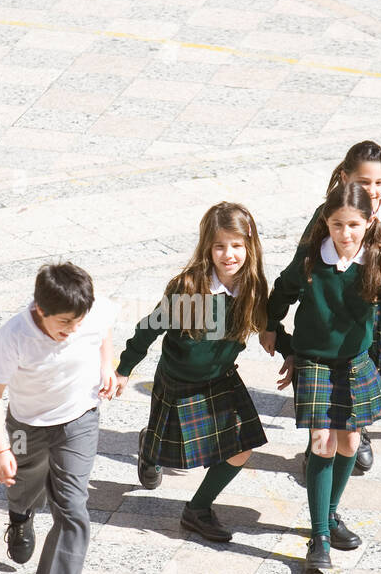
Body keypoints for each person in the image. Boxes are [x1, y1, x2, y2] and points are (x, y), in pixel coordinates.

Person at [261, 182, 381, 574]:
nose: (345, 234)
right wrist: (271, 324)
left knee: (351, 442)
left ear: (370, 222)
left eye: (354, 225)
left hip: (355, 361)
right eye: (337, 224)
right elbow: (283, 289)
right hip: (314, 360)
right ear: (326, 223)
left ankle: (330, 514)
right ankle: (319, 535)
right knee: (322, 442)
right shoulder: (312, 260)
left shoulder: (380, 262)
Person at [111, 202, 268, 544]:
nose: (229, 254)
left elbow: (267, 322)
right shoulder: (189, 288)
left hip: (222, 379)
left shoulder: (254, 287)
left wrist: (288, 351)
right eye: (220, 246)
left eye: (237, 245)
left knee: (241, 448)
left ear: (250, 245)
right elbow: (148, 329)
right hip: (179, 379)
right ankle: (149, 450)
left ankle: (197, 510)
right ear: (207, 247)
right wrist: (124, 369)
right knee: (169, 450)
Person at [0, 262, 114, 574]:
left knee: (73, 507)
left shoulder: (92, 311)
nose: (73, 331)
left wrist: (107, 368)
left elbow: (103, 332)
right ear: (40, 310)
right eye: (64, 324)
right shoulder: (15, 335)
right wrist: (0, 450)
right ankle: (20, 517)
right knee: (22, 483)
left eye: (78, 322)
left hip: (79, 420)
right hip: (26, 426)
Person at [282, 140, 381, 474]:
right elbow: (300, 266)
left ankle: (358, 433)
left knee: (365, 382)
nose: (373, 190)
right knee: (326, 391)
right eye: (363, 182)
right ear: (346, 179)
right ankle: (315, 447)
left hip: (378, 315)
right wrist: (276, 324)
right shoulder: (330, 216)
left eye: (379, 183)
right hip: (339, 316)